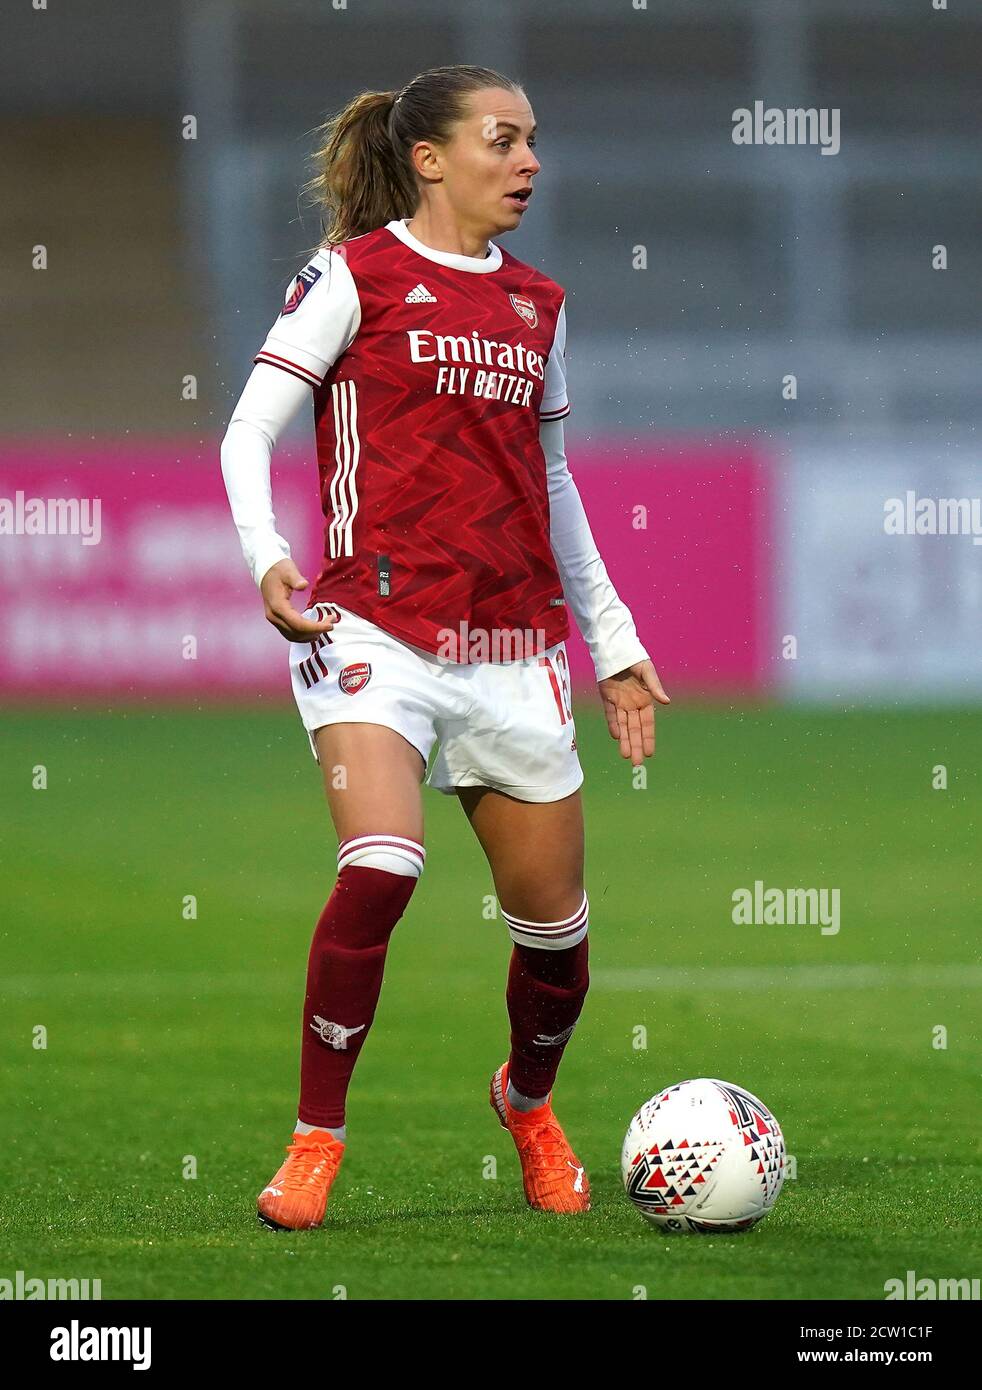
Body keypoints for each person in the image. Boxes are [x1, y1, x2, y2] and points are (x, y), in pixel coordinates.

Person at [220, 63, 668, 1232]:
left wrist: (612, 641)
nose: (528, 163)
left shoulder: (538, 304)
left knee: (556, 941)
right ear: (429, 159)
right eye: (503, 140)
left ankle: (527, 1100)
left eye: (532, 142)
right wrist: (269, 553)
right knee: (381, 865)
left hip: (512, 640)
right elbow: (249, 425)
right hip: (371, 622)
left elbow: (554, 479)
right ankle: (317, 1140)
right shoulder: (352, 275)